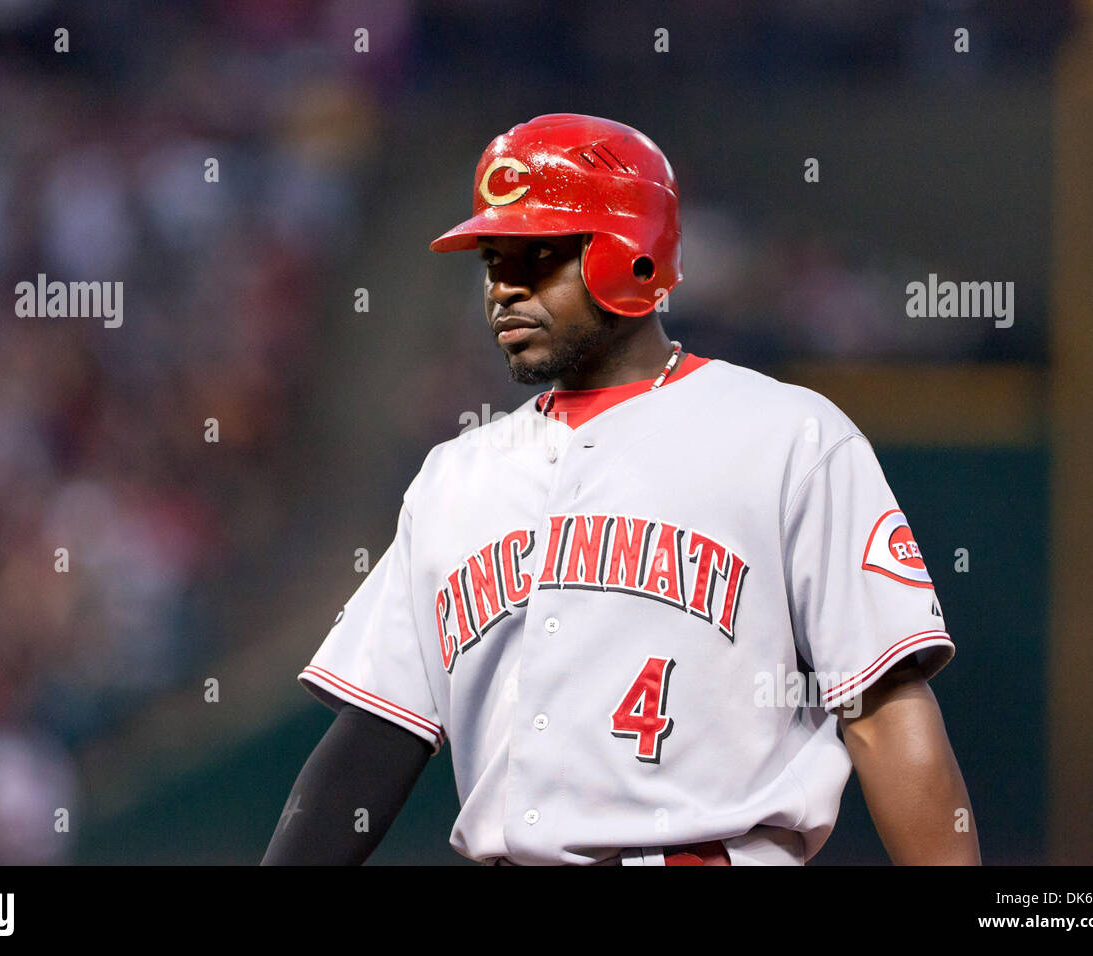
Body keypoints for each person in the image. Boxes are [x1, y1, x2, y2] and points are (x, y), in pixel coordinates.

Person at [262, 113, 979, 866]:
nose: (503, 289)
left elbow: (883, 709)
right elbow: (376, 737)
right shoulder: (455, 475)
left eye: (538, 256)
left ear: (631, 258)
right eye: (493, 261)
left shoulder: (785, 435)